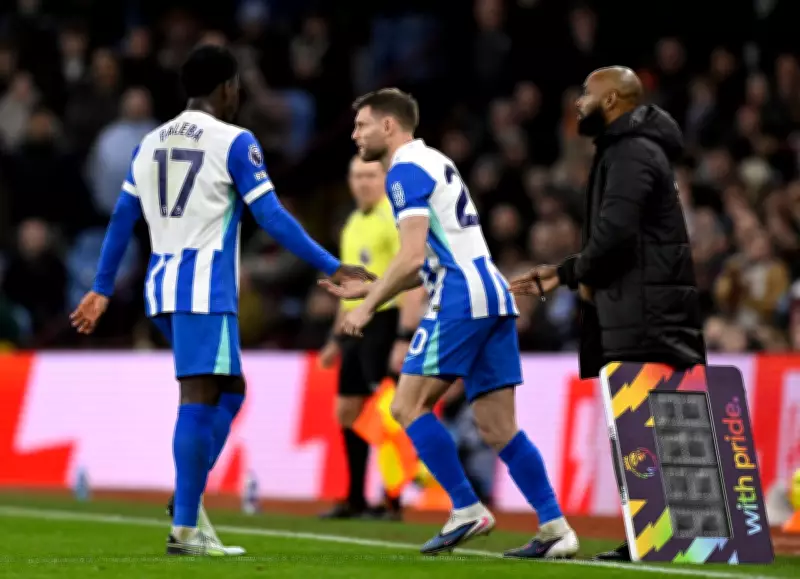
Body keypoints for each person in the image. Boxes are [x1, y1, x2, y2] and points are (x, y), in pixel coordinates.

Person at [69, 44, 373, 557]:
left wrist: (101, 286)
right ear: (227, 87)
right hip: (203, 289)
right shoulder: (235, 140)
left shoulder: (150, 142)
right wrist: (332, 265)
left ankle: (186, 501)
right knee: (201, 397)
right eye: (237, 88)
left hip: (161, 288)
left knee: (229, 393)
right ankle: (185, 526)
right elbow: (272, 217)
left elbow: (123, 218)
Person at [320, 87, 579, 559]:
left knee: (405, 405)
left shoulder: (402, 172)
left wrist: (365, 306)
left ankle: (465, 508)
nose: (354, 134)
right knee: (497, 426)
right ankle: (555, 526)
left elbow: (415, 255)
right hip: (490, 293)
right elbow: (427, 260)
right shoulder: (435, 161)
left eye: (361, 125)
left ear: (389, 126)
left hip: (460, 297)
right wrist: (376, 286)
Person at [511, 66, 707, 562]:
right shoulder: (631, 150)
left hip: (644, 310)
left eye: (586, 93)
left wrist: (568, 271)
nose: (577, 102)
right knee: (651, 428)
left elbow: (616, 235)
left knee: (645, 429)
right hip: (641, 306)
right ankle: (660, 537)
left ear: (614, 100)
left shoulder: (631, 152)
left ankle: (659, 539)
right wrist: (567, 272)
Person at [317, 155, 425, 521]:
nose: (363, 182)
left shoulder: (392, 219)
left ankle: (393, 499)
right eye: (357, 176)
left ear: (383, 179)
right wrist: (335, 340)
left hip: (386, 320)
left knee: (387, 412)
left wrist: (403, 336)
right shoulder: (351, 225)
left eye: (370, 175)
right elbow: (346, 291)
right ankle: (355, 498)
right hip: (357, 326)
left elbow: (413, 279)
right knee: (346, 411)